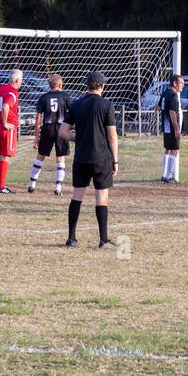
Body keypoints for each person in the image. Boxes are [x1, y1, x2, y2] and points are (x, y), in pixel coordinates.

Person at [59, 70, 119, 248]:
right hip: (101, 157)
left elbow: (63, 132)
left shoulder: (76, 104)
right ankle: (103, 240)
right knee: (101, 197)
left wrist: (81, 137)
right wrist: (115, 160)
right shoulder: (106, 104)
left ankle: (71, 238)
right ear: (101, 86)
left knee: (77, 196)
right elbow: (112, 136)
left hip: (81, 157)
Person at [28, 73, 70, 196]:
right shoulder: (65, 96)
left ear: (49, 85)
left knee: (40, 156)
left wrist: (37, 135)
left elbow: (38, 116)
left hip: (47, 128)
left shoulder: (43, 97)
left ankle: (32, 185)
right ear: (60, 84)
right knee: (60, 157)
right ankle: (58, 188)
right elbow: (70, 114)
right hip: (61, 128)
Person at [0, 70, 23, 195]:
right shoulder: (13, 92)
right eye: (21, 80)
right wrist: (6, 122)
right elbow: (6, 107)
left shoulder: (1, 89)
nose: (21, 82)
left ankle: (0, 185)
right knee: (5, 156)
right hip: (7, 129)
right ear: (17, 80)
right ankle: (1, 187)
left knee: (2, 156)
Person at [159, 75, 184, 184]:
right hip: (172, 126)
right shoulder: (173, 95)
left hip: (166, 126)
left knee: (168, 149)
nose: (183, 85)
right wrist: (177, 128)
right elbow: (172, 112)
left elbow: (159, 107)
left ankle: (165, 175)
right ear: (174, 83)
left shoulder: (165, 93)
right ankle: (169, 176)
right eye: (181, 83)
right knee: (175, 150)